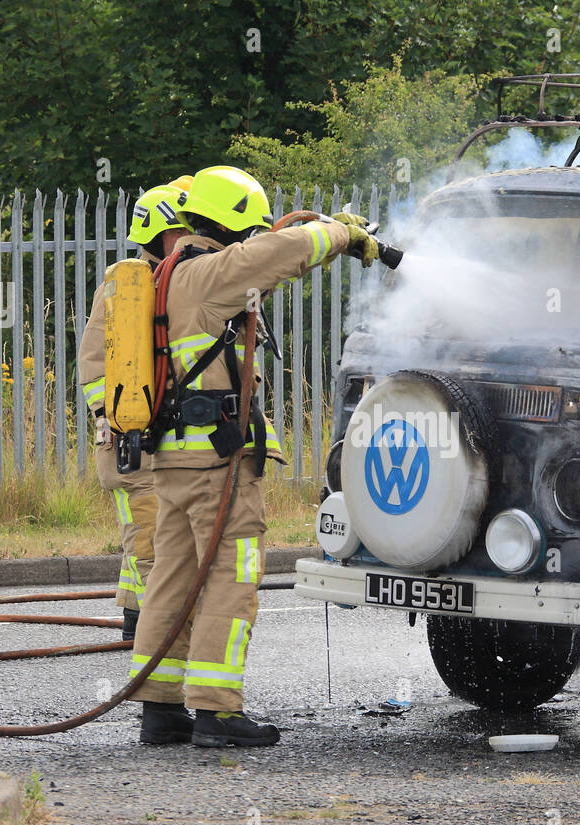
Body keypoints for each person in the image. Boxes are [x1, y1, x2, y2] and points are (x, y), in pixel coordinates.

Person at [130, 164, 379, 746]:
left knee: (172, 575)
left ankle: (160, 709)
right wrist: (342, 232)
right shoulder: (212, 272)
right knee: (232, 576)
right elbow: (283, 251)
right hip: (217, 464)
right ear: (234, 226)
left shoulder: (160, 276)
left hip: (172, 458)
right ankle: (217, 711)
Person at [77, 178, 194, 743]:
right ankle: (154, 663)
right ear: (161, 230)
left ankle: (132, 619)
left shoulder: (158, 281)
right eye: (183, 229)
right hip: (135, 446)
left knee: (139, 541)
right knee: (151, 547)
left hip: (137, 446)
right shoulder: (128, 289)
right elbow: (96, 368)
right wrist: (123, 424)